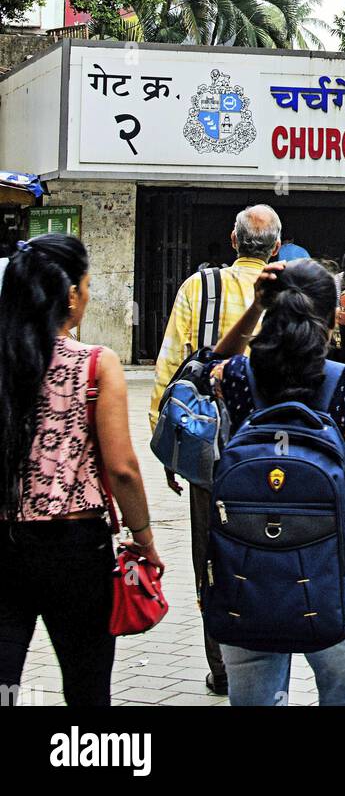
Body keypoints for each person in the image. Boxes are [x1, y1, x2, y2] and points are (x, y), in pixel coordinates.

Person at [207, 258, 345, 706]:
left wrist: (253, 310)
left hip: (244, 574)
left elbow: (206, 363)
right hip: (333, 573)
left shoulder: (235, 377)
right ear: (331, 320)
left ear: (272, 310)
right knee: (343, 697)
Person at [0, 235, 162, 706]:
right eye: (87, 286)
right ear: (70, 294)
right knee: (87, 686)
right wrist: (145, 539)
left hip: (4, 545)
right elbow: (123, 470)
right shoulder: (94, 364)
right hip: (74, 548)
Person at [149, 204, 282, 695]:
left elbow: (169, 366)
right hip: (273, 449)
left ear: (232, 240)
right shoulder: (285, 292)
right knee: (270, 546)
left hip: (209, 448)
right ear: (275, 249)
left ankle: (222, 664)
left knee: (211, 552)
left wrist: (167, 447)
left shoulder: (197, 288)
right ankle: (265, 654)